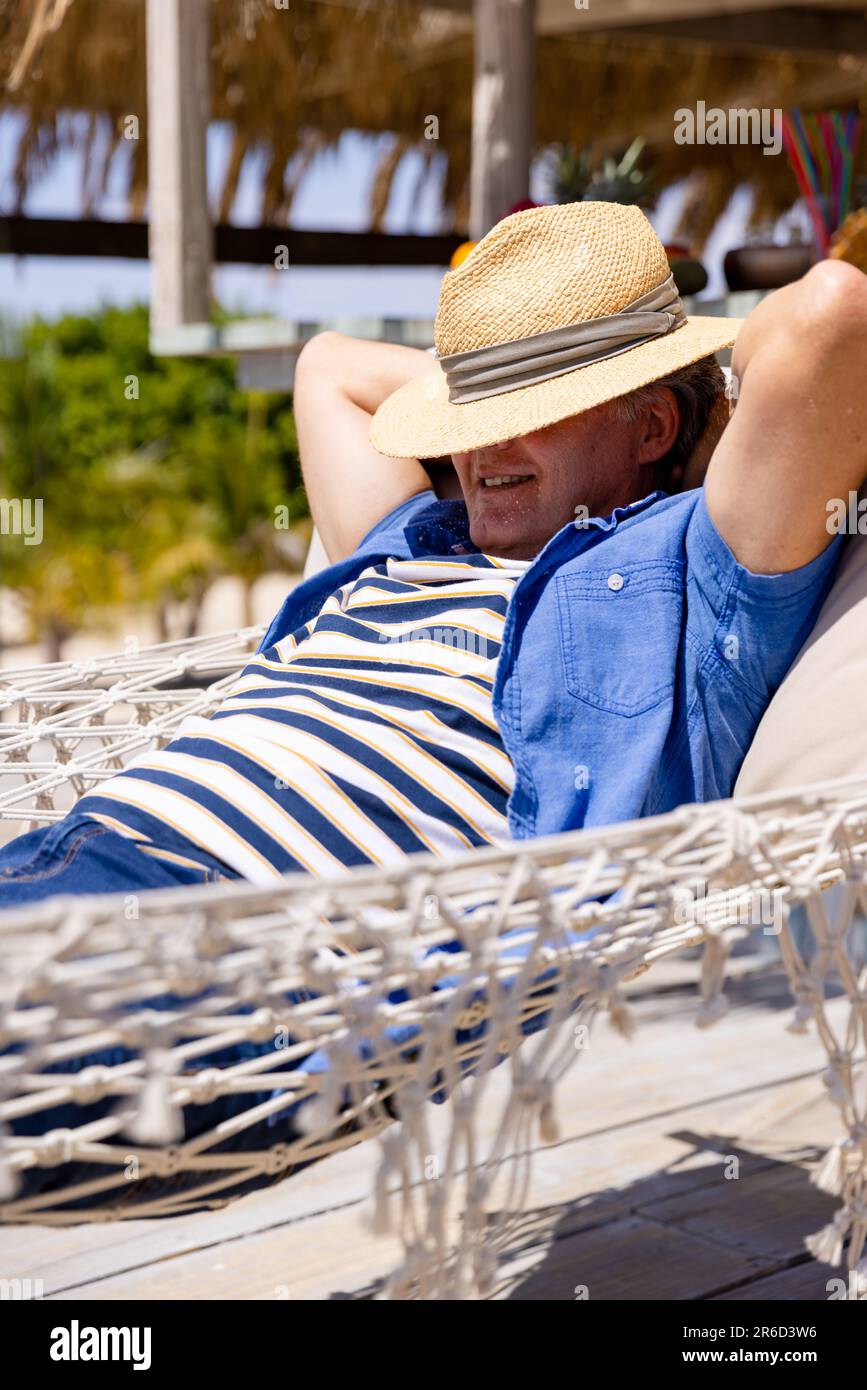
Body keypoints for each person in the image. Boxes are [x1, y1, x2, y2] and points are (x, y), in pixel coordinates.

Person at [1, 200, 864, 907]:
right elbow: (326, 368)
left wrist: (695, 435)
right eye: (465, 420)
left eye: (530, 407)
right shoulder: (418, 540)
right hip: (69, 849)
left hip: (230, 942)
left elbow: (832, 317)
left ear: (653, 424)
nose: (478, 450)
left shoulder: (688, 574)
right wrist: (513, 387)